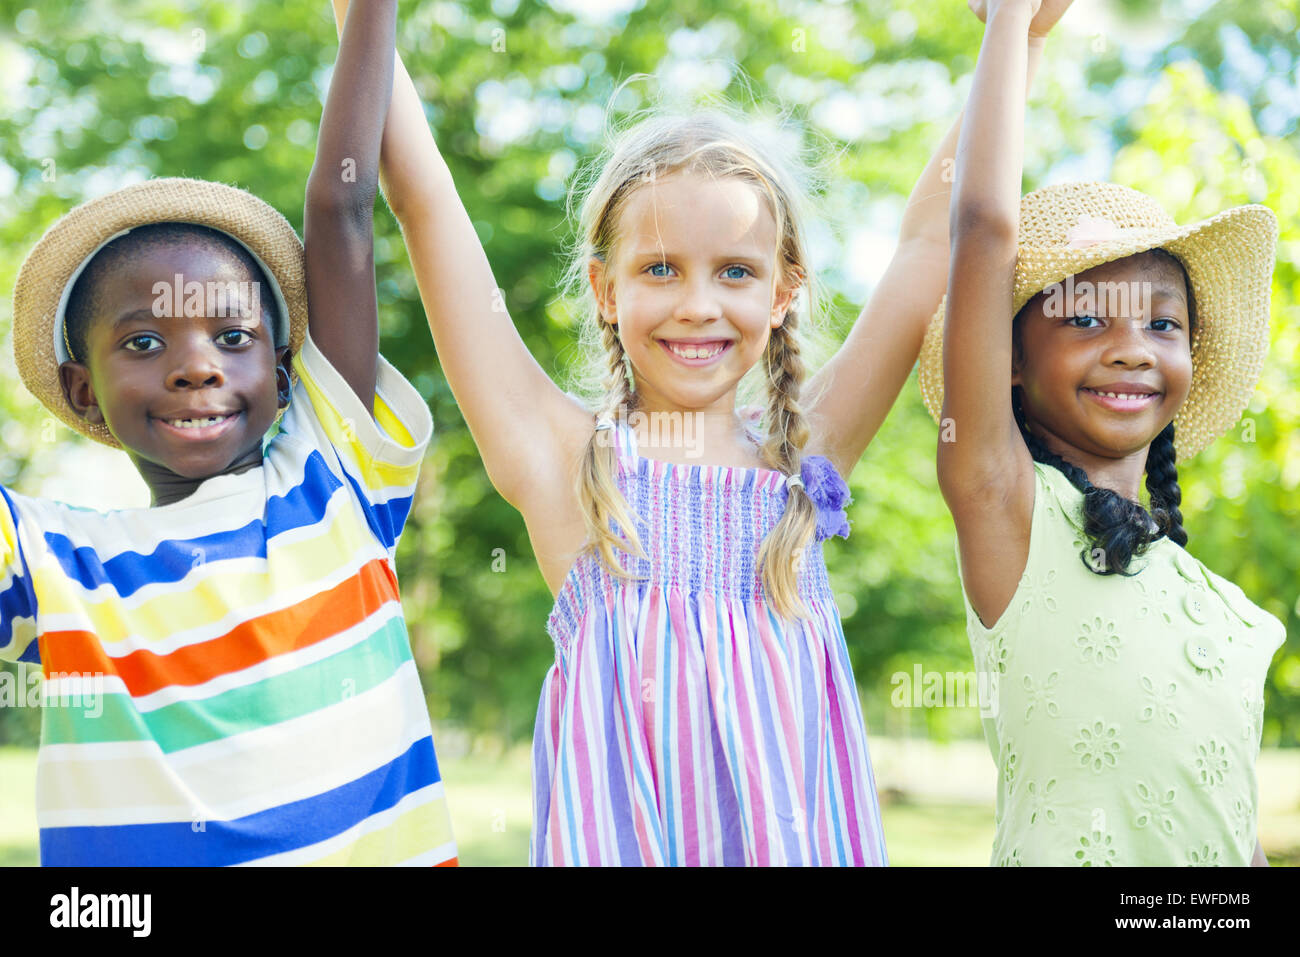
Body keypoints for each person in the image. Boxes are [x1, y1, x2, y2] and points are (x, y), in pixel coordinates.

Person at [345, 0, 1068, 864]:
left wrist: (1019, 36)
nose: (698, 304)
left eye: (735, 270)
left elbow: (929, 244)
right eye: (659, 269)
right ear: (605, 290)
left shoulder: (807, 456)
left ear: (782, 290)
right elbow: (425, 199)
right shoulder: (562, 463)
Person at [2, 0, 456, 865]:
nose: (197, 365)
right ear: (80, 391)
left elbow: (342, 207)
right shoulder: (54, 558)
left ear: (285, 376)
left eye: (234, 336)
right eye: (143, 341)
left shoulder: (335, 479)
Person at [927, 0, 1283, 865]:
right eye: (1085, 319)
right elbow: (982, 231)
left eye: (1163, 325)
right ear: (1010, 359)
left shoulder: (1218, 604)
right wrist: (1013, 25)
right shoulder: (1007, 505)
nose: (1131, 349)